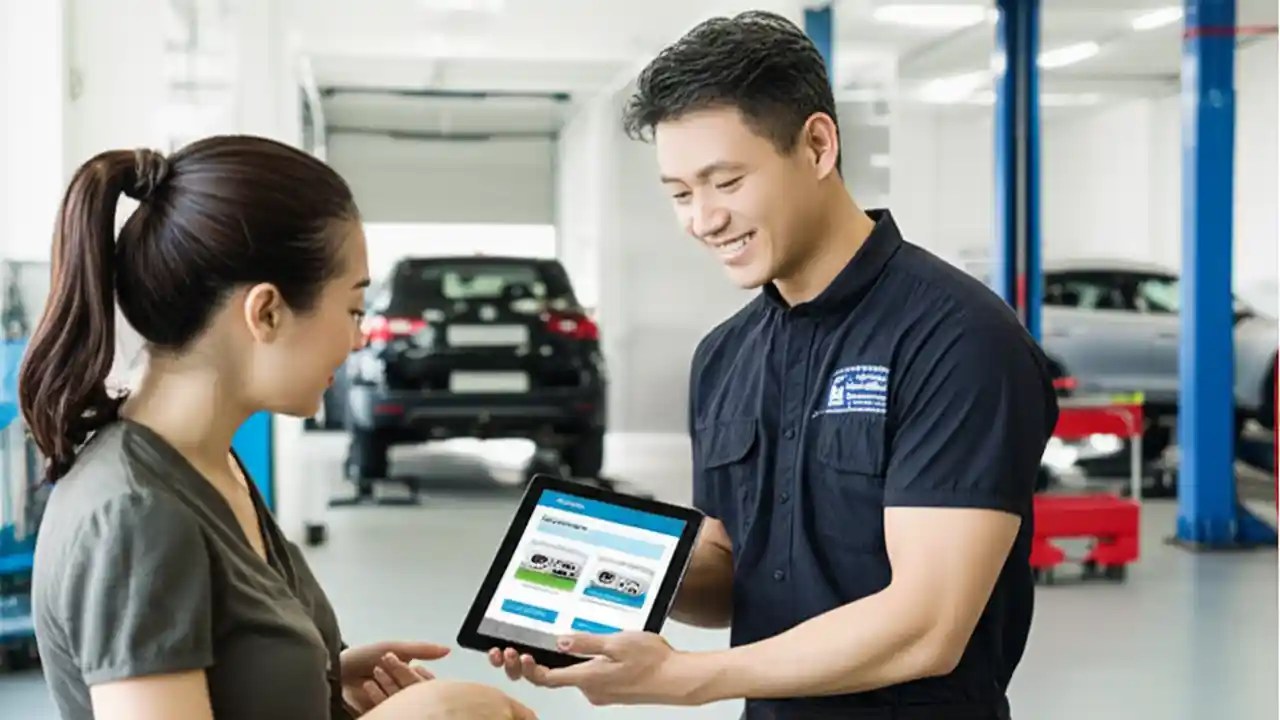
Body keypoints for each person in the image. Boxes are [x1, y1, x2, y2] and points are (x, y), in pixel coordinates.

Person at [489, 11, 1059, 719]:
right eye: (679, 193)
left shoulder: (958, 338)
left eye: (724, 181)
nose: (702, 219)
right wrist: (620, 572)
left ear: (817, 145)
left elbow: (928, 626)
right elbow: (736, 579)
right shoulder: (725, 357)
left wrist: (687, 678)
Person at [21, 136, 537, 720]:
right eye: (352, 310)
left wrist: (316, 677)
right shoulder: (136, 515)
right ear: (265, 312)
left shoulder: (209, 466)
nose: (359, 339)